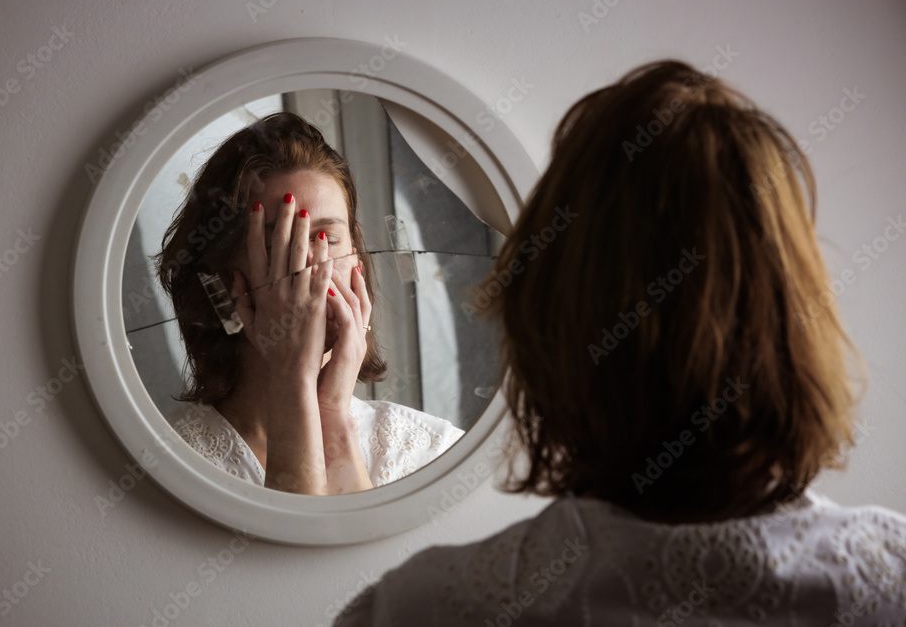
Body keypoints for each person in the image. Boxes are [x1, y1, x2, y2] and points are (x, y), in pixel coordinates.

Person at [334, 60, 906, 624]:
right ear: (794, 322)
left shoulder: (422, 608)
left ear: (545, 320)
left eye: (326, 236)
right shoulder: (888, 582)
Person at [155, 112, 463, 495]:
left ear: (358, 259)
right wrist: (292, 379)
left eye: (328, 239)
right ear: (220, 280)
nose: (313, 267)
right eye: (280, 245)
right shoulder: (165, 466)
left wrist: (332, 414)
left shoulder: (431, 451)